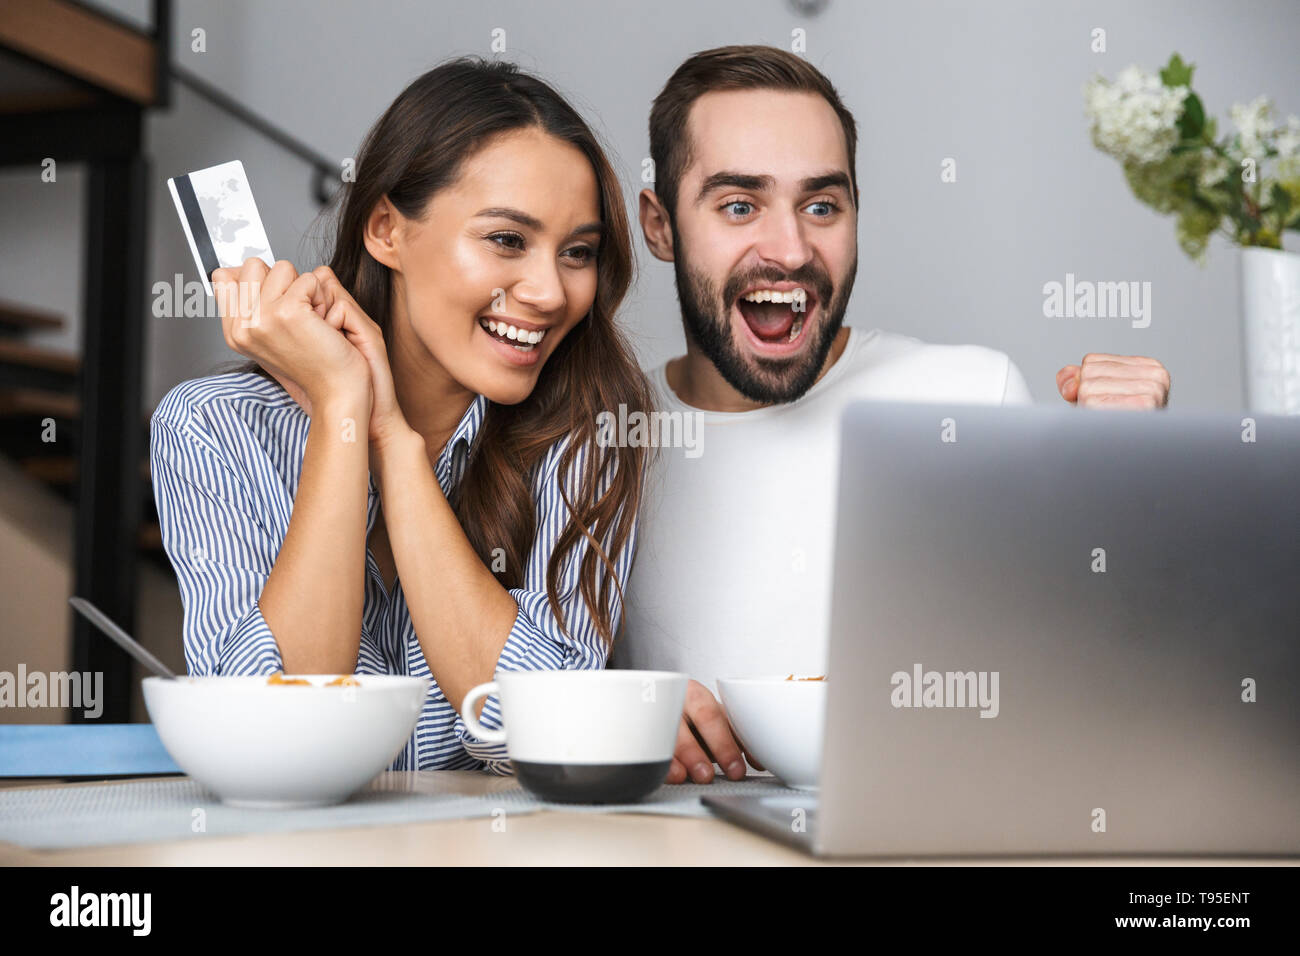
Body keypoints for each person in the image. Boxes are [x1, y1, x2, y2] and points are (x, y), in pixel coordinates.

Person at [609, 45, 1172, 784]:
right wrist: (618, 709)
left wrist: (1135, 483)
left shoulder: (969, 395)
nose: (790, 249)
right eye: (739, 205)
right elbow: (517, 676)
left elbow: (1108, 689)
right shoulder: (601, 444)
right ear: (659, 225)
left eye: (822, 206)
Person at [150, 58, 653, 773]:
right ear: (386, 228)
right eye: (507, 239)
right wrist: (341, 410)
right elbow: (281, 742)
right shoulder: (213, 428)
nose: (548, 291)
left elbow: (551, 735)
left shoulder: (589, 427)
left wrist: (394, 443)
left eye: (577, 253)